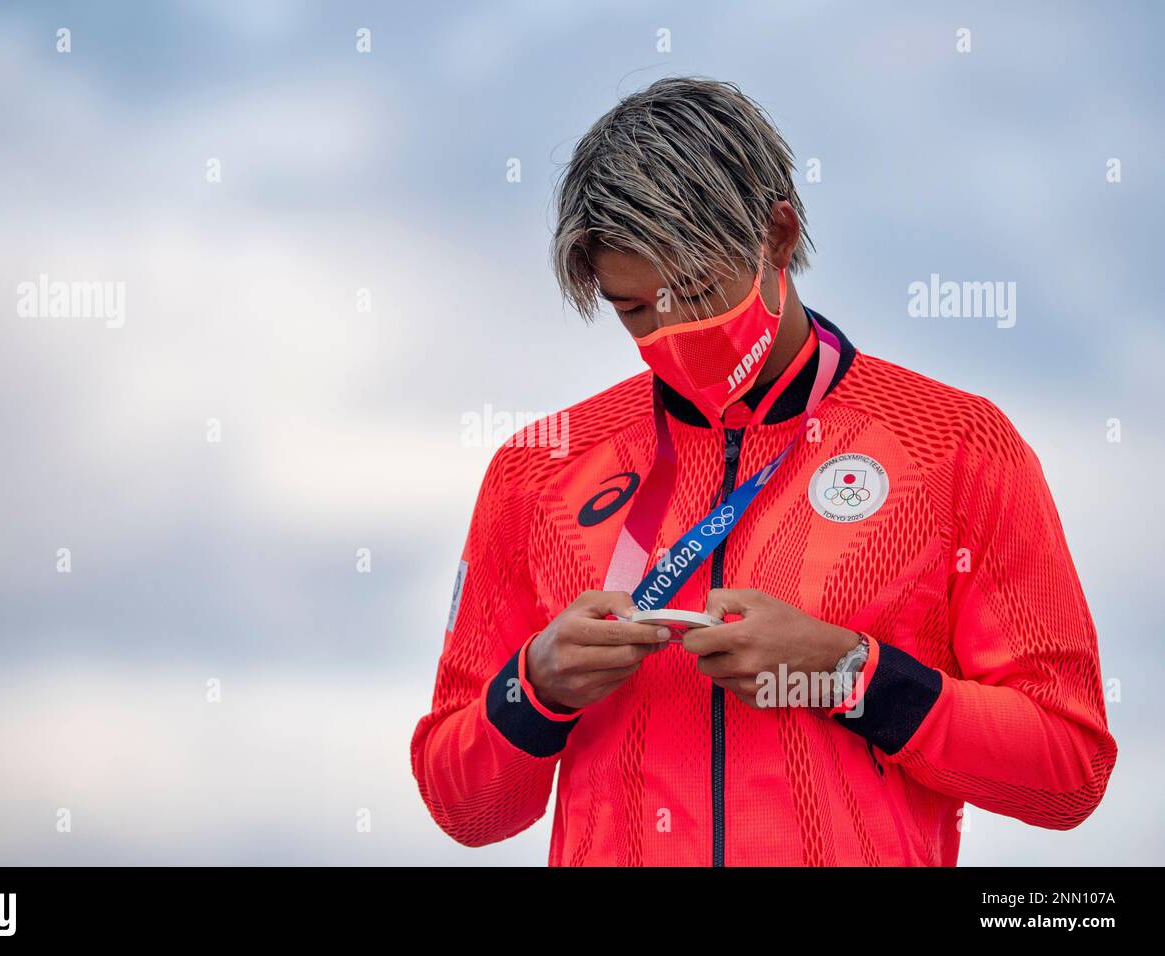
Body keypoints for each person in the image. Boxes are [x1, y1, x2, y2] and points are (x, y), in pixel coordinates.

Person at [409, 76, 1116, 866]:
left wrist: (849, 673)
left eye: (699, 292)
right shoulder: (538, 470)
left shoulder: (957, 445)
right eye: (634, 309)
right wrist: (535, 687)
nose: (669, 329)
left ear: (777, 236)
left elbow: (1067, 774)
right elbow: (462, 806)